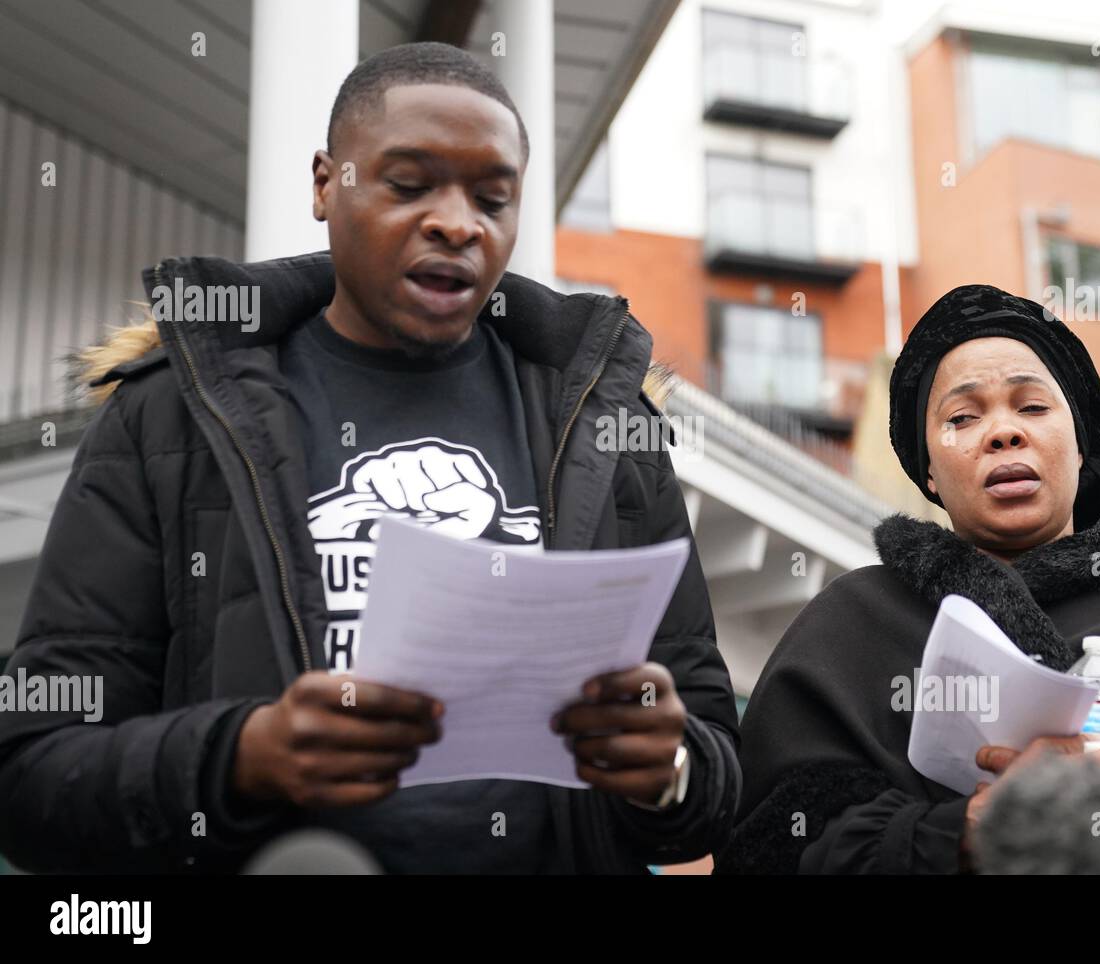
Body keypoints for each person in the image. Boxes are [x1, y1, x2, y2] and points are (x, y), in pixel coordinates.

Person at [0, 42, 740, 874]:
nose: (458, 222)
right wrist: (241, 758)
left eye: (493, 197)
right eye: (410, 184)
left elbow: (713, 761)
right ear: (327, 183)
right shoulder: (168, 416)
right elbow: (32, 774)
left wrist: (668, 768)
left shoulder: (606, 426)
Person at [717, 284, 1100, 874]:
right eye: (963, 417)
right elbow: (767, 847)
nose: (1003, 432)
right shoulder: (852, 622)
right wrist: (960, 833)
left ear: (1079, 447)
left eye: (1032, 407)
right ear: (929, 475)